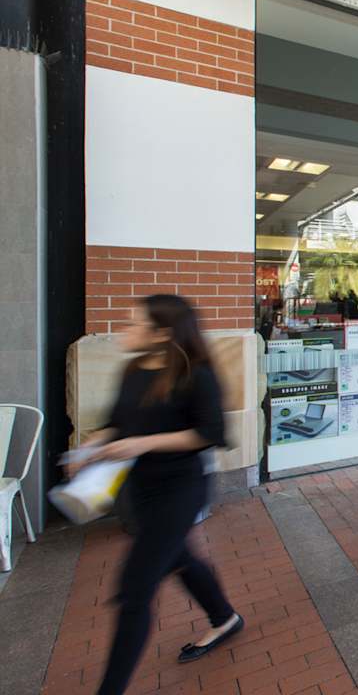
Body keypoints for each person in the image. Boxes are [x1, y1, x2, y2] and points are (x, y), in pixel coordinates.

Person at [72, 295, 241, 694]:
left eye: (134, 324)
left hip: (181, 488)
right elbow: (118, 423)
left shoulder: (195, 373)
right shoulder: (133, 369)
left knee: (135, 590)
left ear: (162, 333)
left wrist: (142, 444)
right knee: (179, 556)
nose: (124, 331)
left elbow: (211, 434)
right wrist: (92, 446)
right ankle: (224, 618)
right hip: (141, 489)